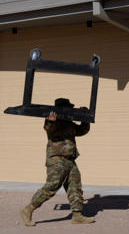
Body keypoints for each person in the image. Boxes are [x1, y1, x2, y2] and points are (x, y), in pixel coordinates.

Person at [20, 97, 95, 226]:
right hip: (57, 160)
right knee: (51, 187)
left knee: (75, 186)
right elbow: (48, 128)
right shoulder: (53, 120)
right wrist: (50, 121)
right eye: (69, 108)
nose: (70, 110)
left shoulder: (69, 123)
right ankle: (28, 209)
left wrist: (85, 119)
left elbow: (81, 131)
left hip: (70, 160)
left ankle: (77, 215)